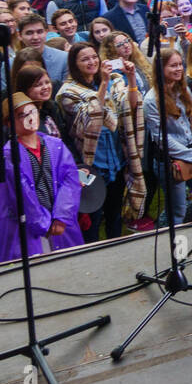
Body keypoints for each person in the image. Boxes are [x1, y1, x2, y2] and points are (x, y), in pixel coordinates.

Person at [56, 41, 146, 241]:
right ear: (74, 64)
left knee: (115, 215)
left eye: (94, 57)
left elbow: (131, 108)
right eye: (84, 59)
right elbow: (91, 118)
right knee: (93, 220)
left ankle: (116, 250)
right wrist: (104, 84)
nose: (91, 62)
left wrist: (131, 78)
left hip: (116, 157)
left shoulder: (115, 79)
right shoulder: (67, 93)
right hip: (92, 163)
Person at [0, 93, 84, 261]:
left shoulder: (55, 145)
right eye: (22, 115)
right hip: (31, 230)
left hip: (59, 224)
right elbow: (21, 195)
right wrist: (44, 224)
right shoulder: (10, 156)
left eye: (32, 111)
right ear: (9, 123)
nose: (30, 118)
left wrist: (61, 217)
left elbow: (70, 180)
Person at [144, 48, 192, 228]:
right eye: (173, 65)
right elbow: (162, 139)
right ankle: (173, 248)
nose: (179, 69)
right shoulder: (151, 100)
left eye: (180, 64)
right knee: (177, 211)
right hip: (171, 162)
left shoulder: (184, 90)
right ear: (160, 69)